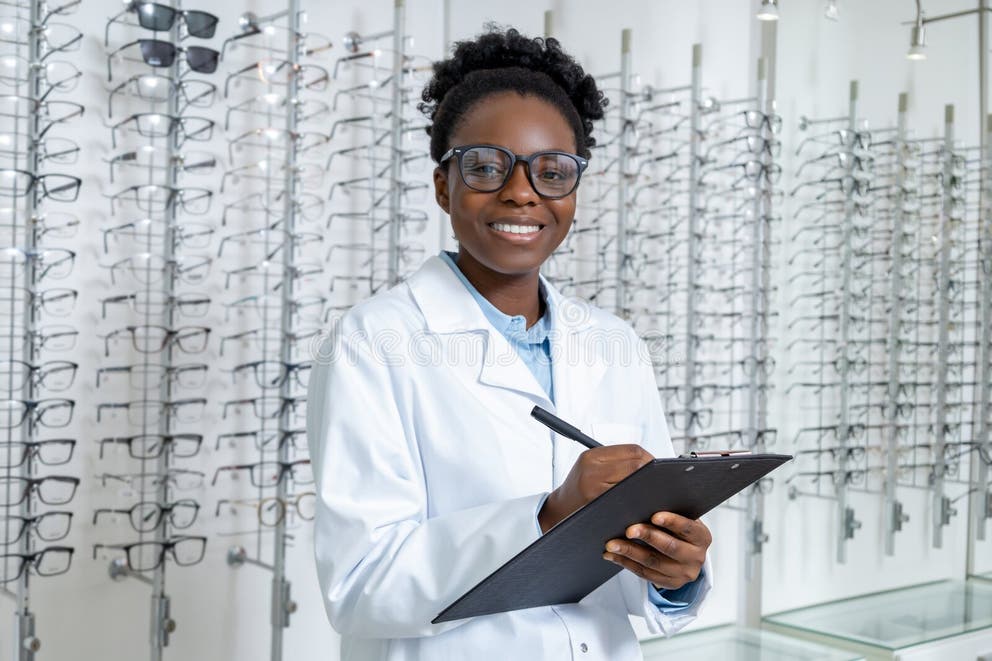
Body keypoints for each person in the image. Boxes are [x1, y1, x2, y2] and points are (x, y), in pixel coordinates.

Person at [307, 27, 711, 661]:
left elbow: (636, 564)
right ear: (444, 185)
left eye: (552, 172)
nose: (522, 191)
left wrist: (674, 574)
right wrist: (548, 516)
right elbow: (360, 584)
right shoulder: (373, 341)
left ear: (573, 193)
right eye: (487, 167)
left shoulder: (615, 343)